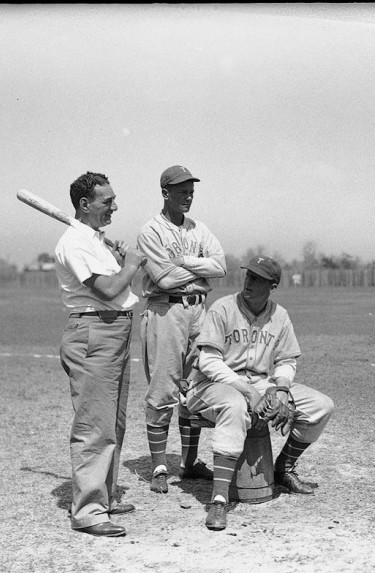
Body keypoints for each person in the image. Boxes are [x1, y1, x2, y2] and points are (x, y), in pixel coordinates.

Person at [185, 256, 335, 531]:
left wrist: (280, 390)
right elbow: (208, 361)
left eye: (258, 279)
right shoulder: (223, 308)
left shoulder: (280, 316)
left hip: (262, 384)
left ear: (273, 286)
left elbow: (287, 361)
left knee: (320, 405)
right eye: (248, 276)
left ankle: (284, 468)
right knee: (235, 405)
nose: (249, 282)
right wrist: (249, 392)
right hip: (210, 385)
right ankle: (219, 500)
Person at [54, 171, 147, 538]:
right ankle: (88, 510)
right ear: (85, 204)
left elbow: (118, 290)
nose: (114, 207)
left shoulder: (95, 241)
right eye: (107, 202)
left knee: (113, 421)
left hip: (116, 331)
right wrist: (131, 265)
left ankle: (102, 496)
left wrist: (121, 258)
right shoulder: (74, 243)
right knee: (95, 423)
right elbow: (109, 289)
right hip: (93, 333)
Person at [137, 165, 227, 493]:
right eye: (181, 191)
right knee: (163, 390)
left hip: (198, 312)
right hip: (166, 310)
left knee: (196, 387)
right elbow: (163, 279)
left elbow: (221, 266)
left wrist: (185, 263)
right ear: (165, 193)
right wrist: (200, 272)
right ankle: (160, 465)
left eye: (191, 191)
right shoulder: (151, 231)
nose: (188, 197)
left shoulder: (198, 229)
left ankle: (189, 463)